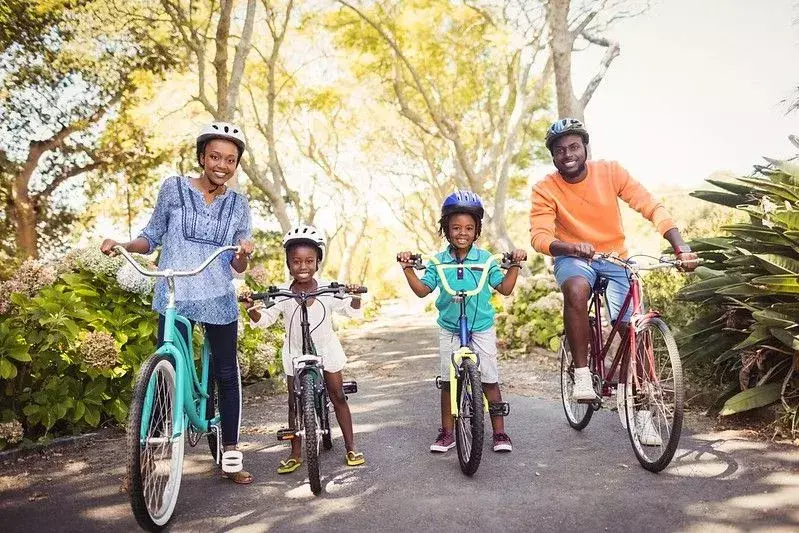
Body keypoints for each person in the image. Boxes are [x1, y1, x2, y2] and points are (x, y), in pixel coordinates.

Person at [101, 122, 255, 484]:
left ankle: (230, 451)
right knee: (164, 375)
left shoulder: (238, 204)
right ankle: (146, 463)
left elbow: (237, 264)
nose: (222, 164)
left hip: (217, 296)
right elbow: (151, 237)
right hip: (175, 295)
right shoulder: (173, 188)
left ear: (236, 165)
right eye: (215, 156)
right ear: (202, 157)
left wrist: (244, 253)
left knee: (225, 374)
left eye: (230, 160)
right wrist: (123, 244)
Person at [529, 118, 698, 442]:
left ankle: (642, 412)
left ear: (585, 148)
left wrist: (681, 247)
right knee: (576, 290)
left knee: (633, 327)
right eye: (560, 149)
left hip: (615, 257)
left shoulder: (610, 171)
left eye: (574, 146)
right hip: (573, 258)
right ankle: (581, 375)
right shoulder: (545, 188)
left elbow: (650, 206)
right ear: (553, 156)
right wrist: (570, 246)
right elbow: (539, 237)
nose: (568, 154)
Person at [397, 191, 527, 453]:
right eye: (455, 227)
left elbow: (504, 288)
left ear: (477, 230)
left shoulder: (486, 260)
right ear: (446, 229)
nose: (462, 233)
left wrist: (514, 265)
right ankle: (447, 431)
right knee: (447, 381)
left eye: (469, 228)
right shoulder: (438, 261)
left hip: (480, 327)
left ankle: (500, 432)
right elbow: (423, 290)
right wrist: (407, 268)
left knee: (489, 377)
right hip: (450, 327)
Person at [242, 225, 366, 472]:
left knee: (338, 395)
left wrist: (353, 294)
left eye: (309, 260)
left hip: (326, 350)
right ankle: (295, 452)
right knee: (293, 402)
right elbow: (264, 320)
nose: (303, 266)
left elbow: (352, 311)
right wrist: (252, 308)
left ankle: (351, 446)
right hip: (294, 352)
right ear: (288, 263)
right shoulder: (282, 294)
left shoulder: (328, 291)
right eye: (296, 261)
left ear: (318, 261)